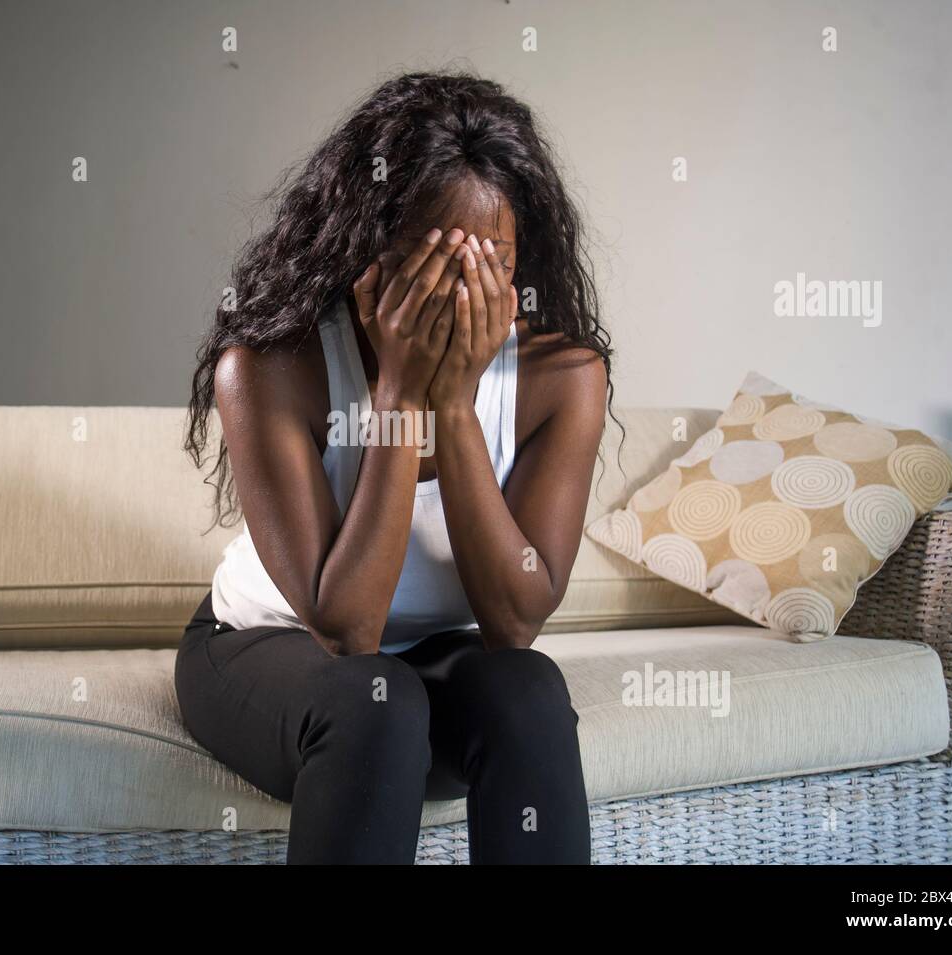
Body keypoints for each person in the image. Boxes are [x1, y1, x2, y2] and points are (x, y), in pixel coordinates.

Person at [175, 69, 619, 864]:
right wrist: (399, 394)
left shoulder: (562, 375)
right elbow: (348, 628)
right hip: (266, 648)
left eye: (492, 267)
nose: (462, 296)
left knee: (529, 689)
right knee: (374, 700)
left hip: (435, 660)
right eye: (438, 265)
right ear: (368, 257)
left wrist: (453, 410)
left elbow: (515, 620)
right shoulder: (272, 368)